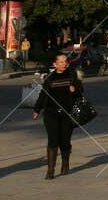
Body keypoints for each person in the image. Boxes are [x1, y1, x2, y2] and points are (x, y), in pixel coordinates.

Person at [31, 51, 83, 179]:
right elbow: (43, 95)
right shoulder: (50, 78)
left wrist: (74, 90)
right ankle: (50, 170)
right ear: (55, 64)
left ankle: (65, 164)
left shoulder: (72, 75)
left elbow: (81, 92)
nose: (63, 64)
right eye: (60, 62)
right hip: (51, 113)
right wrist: (37, 109)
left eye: (65, 62)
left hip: (67, 112)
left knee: (65, 140)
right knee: (53, 139)